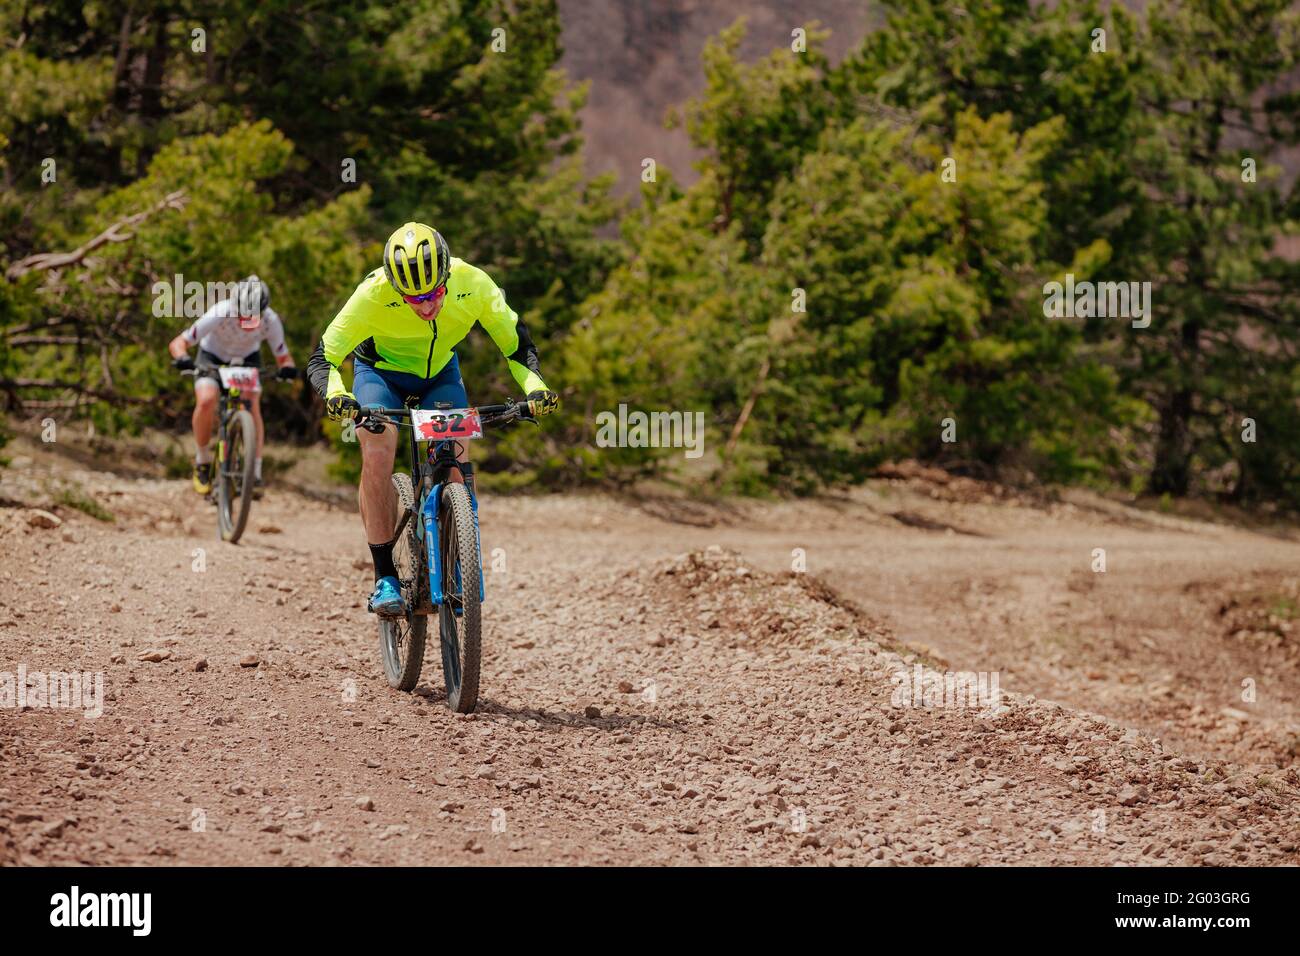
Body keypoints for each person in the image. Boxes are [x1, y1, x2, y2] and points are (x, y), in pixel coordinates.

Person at [306, 222, 558, 617]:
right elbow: (324, 358)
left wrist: (535, 388)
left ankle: (458, 560)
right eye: (413, 298)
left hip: (441, 376)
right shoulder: (371, 294)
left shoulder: (473, 282)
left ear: (447, 276)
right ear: (394, 287)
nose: (426, 306)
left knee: (455, 458)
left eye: (435, 293)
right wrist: (339, 395)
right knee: (377, 450)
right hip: (380, 376)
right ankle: (385, 575)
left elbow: (517, 345)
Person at [168, 275, 298, 495]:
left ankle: (254, 472)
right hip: (212, 357)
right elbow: (179, 343)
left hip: (247, 359)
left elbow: (284, 357)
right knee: (207, 400)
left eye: (252, 317)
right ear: (234, 307)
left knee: (251, 403)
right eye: (242, 316)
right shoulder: (220, 312)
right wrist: (182, 358)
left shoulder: (271, 320)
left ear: (263, 312)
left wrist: (288, 369)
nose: (246, 322)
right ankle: (202, 460)